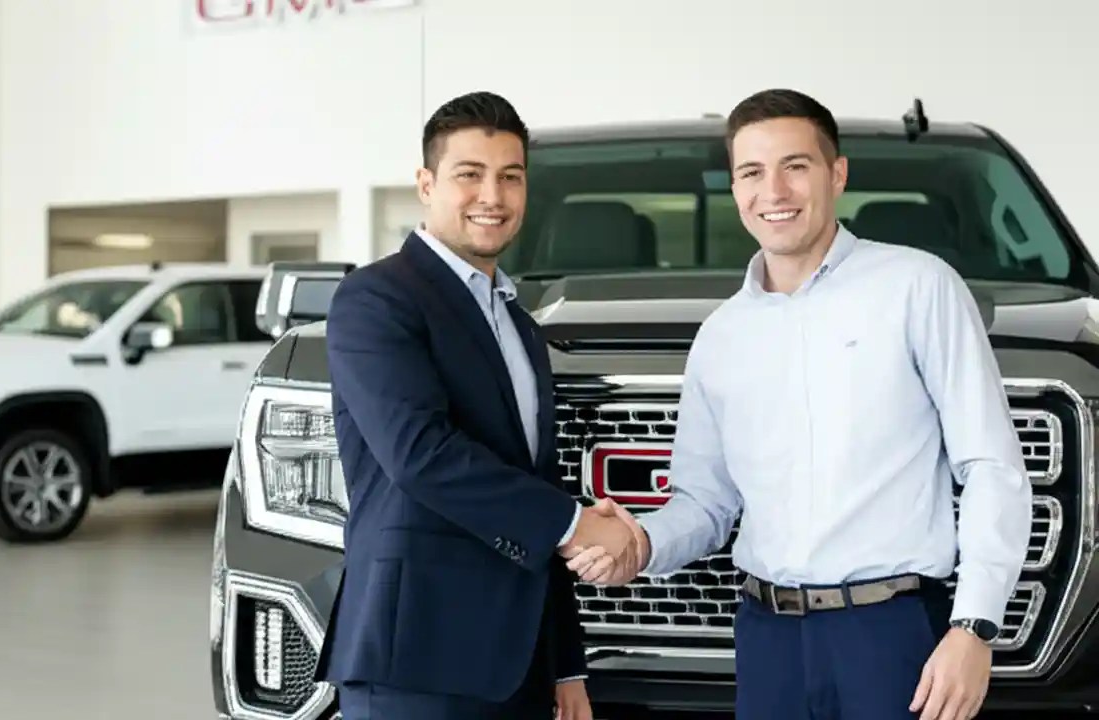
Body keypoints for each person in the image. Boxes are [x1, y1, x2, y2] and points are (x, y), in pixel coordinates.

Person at [562, 88, 1033, 720]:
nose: (774, 191)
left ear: (836, 174)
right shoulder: (722, 336)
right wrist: (642, 543)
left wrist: (974, 626)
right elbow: (706, 501)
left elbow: (990, 466)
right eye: (752, 173)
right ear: (735, 188)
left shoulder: (918, 288)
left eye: (796, 166)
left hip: (892, 636)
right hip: (768, 639)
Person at [312, 90, 637, 720]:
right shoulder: (376, 298)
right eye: (470, 175)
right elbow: (420, 455)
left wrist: (564, 662)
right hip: (416, 659)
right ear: (426, 184)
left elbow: (533, 486)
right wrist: (577, 524)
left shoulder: (517, 322)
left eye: (510, 177)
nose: (493, 196)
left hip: (515, 666)